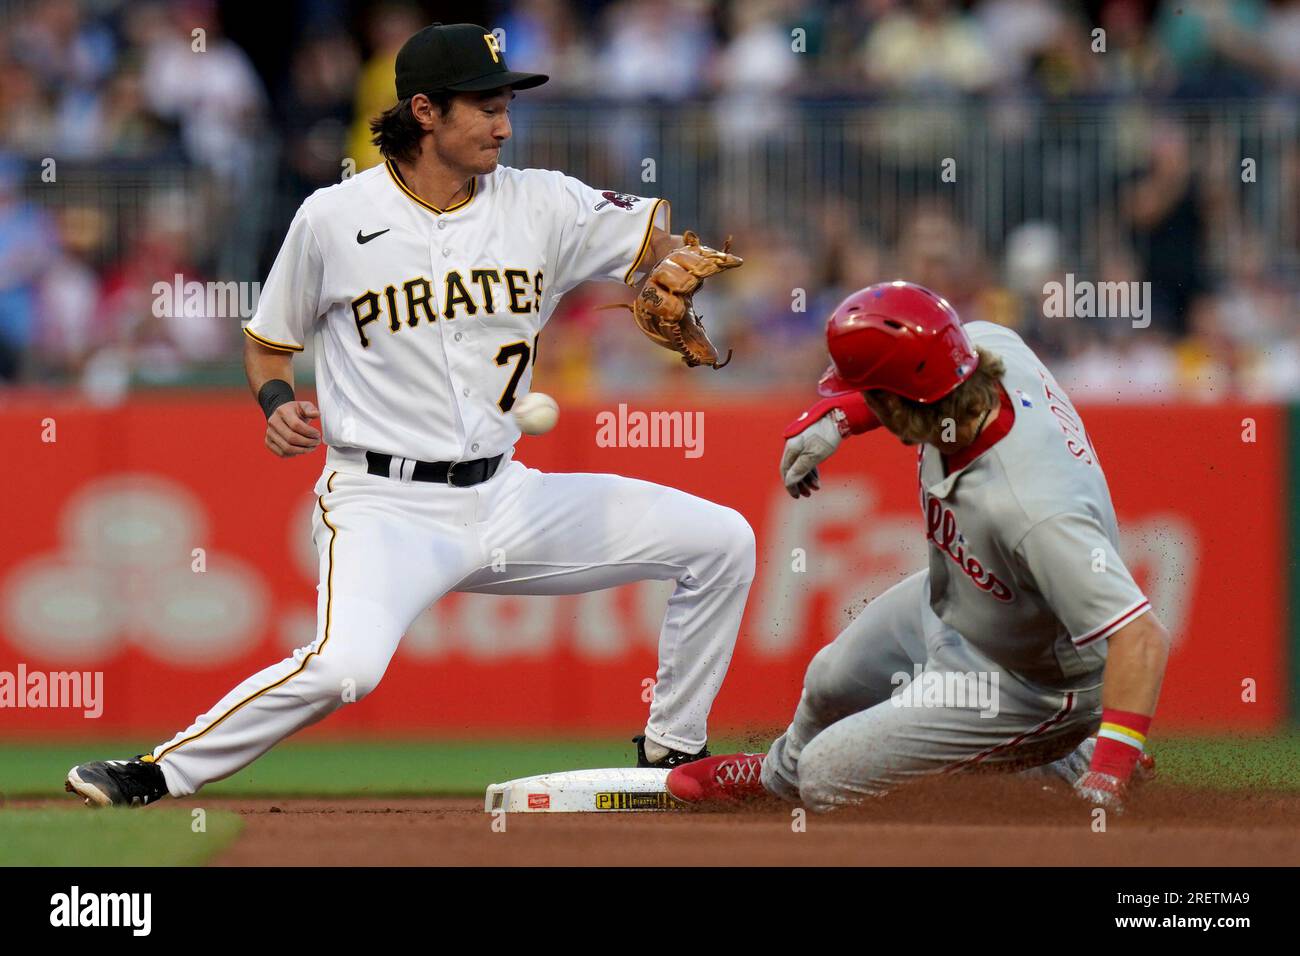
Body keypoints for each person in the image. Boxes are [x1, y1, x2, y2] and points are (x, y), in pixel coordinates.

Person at [65, 22, 753, 808]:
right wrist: (276, 401)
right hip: (383, 504)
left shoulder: (544, 203)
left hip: (507, 496)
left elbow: (653, 240)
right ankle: (159, 771)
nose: (503, 123)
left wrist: (667, 268)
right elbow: (267, 344)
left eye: (506, 105)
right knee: (346, 667)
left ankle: (671, 751)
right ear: (424, 111)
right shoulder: (333, 217)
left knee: (722, 542)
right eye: (484, 106)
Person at [668, 281, 1168, 812]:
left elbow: (1141, 638)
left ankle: (1070, 763)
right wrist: (847, 416)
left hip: (1031, 683)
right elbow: (925, 368)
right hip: (968, 601)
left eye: (873, 398)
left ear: (904, 400)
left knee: (829, 780)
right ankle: (777, 781)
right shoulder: (983, 347)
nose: (860, 401)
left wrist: (1110, 776)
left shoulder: (1032, 508)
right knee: (829, 679)